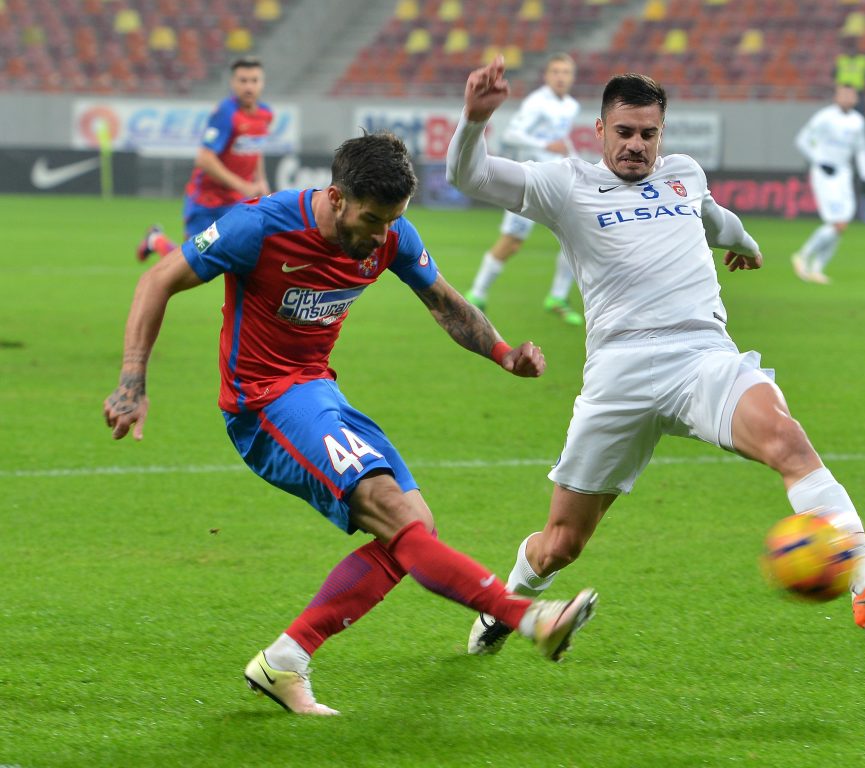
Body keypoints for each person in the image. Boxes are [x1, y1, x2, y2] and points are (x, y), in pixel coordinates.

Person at [446, 57, 865, 655]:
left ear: (662, 134)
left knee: (788, 441)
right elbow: (470, 176)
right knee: (561, 543)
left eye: (648, 134)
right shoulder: (564, 183)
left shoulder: (683, 174)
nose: (636, 145)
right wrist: (474, 120)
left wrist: (747, 245)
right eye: (625, 132)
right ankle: (505, 605)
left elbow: (714, 219)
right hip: (620, 373)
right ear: (600, 131)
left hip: (702, 357)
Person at [105, 132, 598, 715]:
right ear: (336, 197)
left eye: (392, 221)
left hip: (317, 391)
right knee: (395, 515)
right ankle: (528, 617)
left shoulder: (389, 235)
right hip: (262, 402)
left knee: (413, 527)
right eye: (370, 220)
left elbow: (442, 299)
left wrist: (502, 353)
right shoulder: (259, 227)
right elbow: (158, 279)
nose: (379, 236)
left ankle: (286, 659)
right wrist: (132, 382)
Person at [464, 53, 584, 326]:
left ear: (572, 77)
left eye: (566, 72)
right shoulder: (537, 102)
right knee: (512, 242)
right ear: (547, 76)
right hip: (532, 180)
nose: (561, 77)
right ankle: (477, 293)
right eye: (556, 71)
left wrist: (573, 156)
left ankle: (557, 297)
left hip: (559, 181)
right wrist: (545, 147)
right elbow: (511, 135)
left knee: (576, 236)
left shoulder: (571, 106)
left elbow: (560, 138)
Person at [136, 57, 273, 262]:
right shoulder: (226, 114)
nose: (249, 86)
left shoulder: (265, 114)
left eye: (254, 80)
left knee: (254, 253)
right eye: (243, 80)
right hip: (208, 200)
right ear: (232, 83)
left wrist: (261, 181)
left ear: (262, 83)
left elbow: (255, 148)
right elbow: (204, 158)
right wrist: (244, 185)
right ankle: (155, 240)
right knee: (191, 260)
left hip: (237, 201)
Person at [791, 84, 865, 285]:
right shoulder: (825, 117)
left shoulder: (858, 121)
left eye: (851, 94)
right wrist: (819, 162)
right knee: (837, 223)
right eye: (843, 94)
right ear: (836, 97)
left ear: (856, 98)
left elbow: (861, 150)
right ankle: (802, 256)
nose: (847, 97)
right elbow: (801, 140)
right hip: (825, 174)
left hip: (844, 173)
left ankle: (816, 269)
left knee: (842, 223)